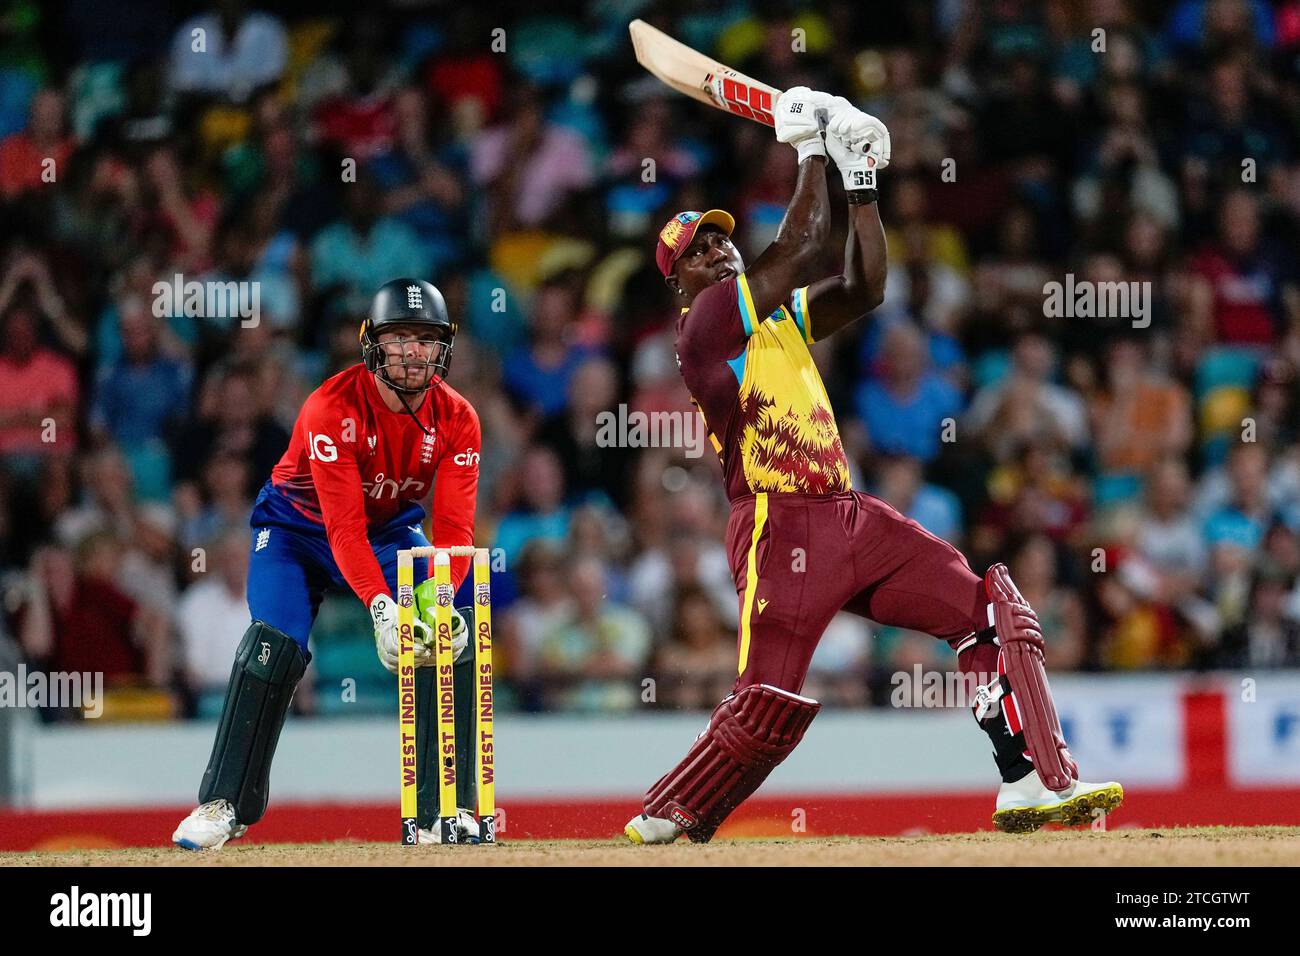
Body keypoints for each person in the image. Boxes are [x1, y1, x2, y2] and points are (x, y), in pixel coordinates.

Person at [624, 88, 1121, 845]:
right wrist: (809, 149)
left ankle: (1031, 781)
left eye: (719, 240)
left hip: (847, 513)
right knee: (768, 704)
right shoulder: (706, 325)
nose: (717, 251)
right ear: (679, 282)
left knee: (988, 611)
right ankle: (669, 809)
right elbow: (798, 252)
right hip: (776, 522)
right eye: (696, 251)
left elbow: (864, 286)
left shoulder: (770, 320)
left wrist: (859, 181)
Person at [172, 277, 481, 849]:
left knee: (455, 625)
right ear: (372, 344)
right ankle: (223, 805)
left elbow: (456, 532)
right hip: (295, 530)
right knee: (272, 648)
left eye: (425, 339)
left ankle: (453, 811)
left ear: (444, 347)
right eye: (398, 338)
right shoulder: (329, 406)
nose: (412, 352)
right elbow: (340, 528)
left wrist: (439, 600)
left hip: (387, 533)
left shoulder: (459, 418)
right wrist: (383, 608)